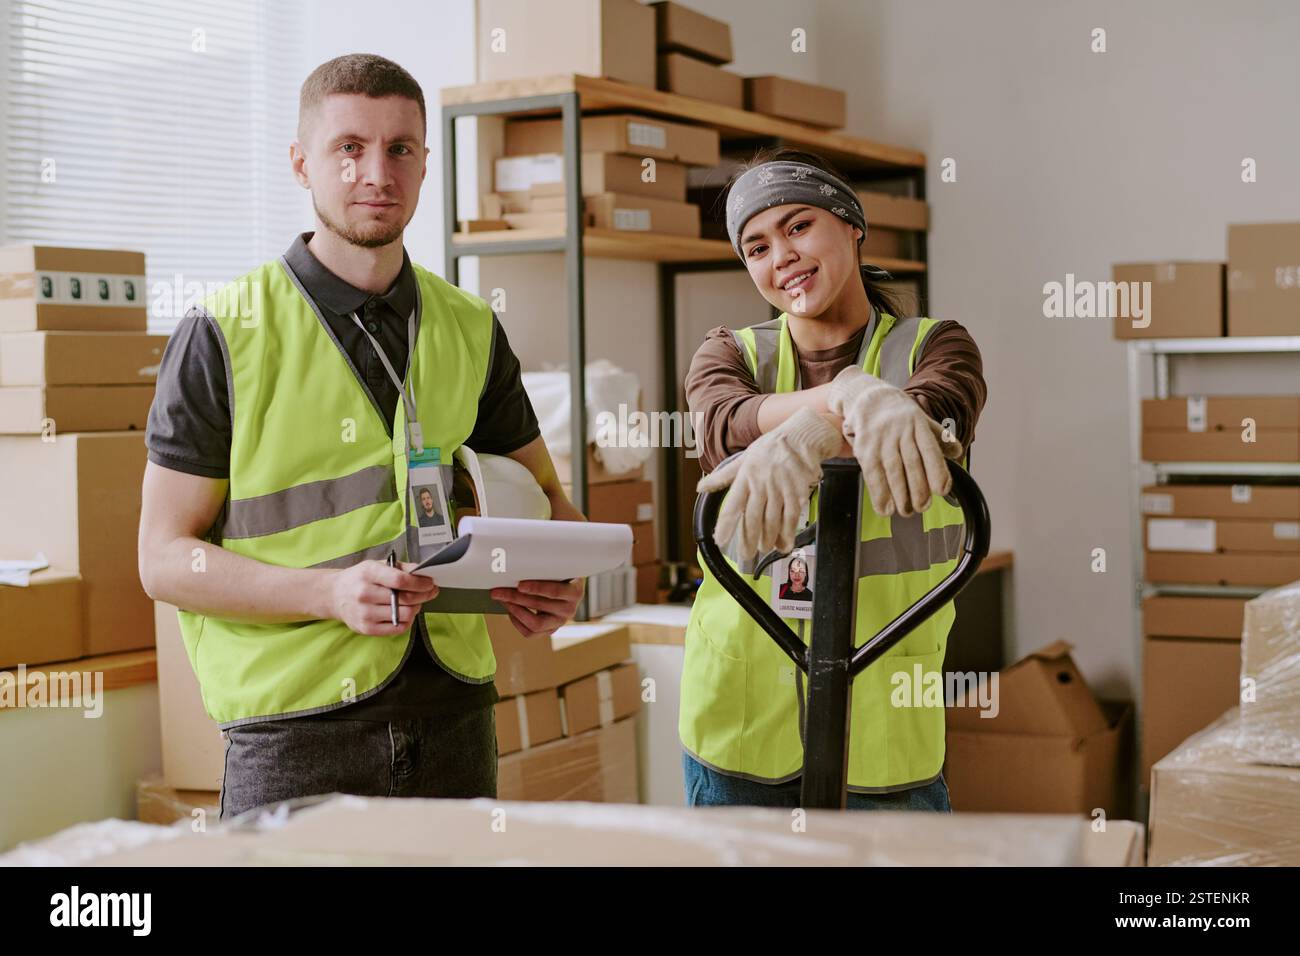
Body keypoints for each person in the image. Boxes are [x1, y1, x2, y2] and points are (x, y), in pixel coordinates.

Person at [138, 54, 586, 821]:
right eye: (349, 147)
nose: (376, 170)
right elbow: (162, 558)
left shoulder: (470, 326)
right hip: (294, 729)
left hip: (455, 714)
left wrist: (557, 579)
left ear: (423, 163)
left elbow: (550, 501)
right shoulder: (223, 332)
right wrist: (325, 593)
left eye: (400, 148)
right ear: (301, 163)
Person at [679, 147, 987, 811]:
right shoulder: (729, 354)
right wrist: (848, 400)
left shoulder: (934, 348)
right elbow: (724, 421)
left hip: (881, 727)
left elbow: (939, 408)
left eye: (797, 227)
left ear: (851, 224)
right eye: (756, 246)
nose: (780, 256)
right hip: (739, 725)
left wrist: (816, 430)